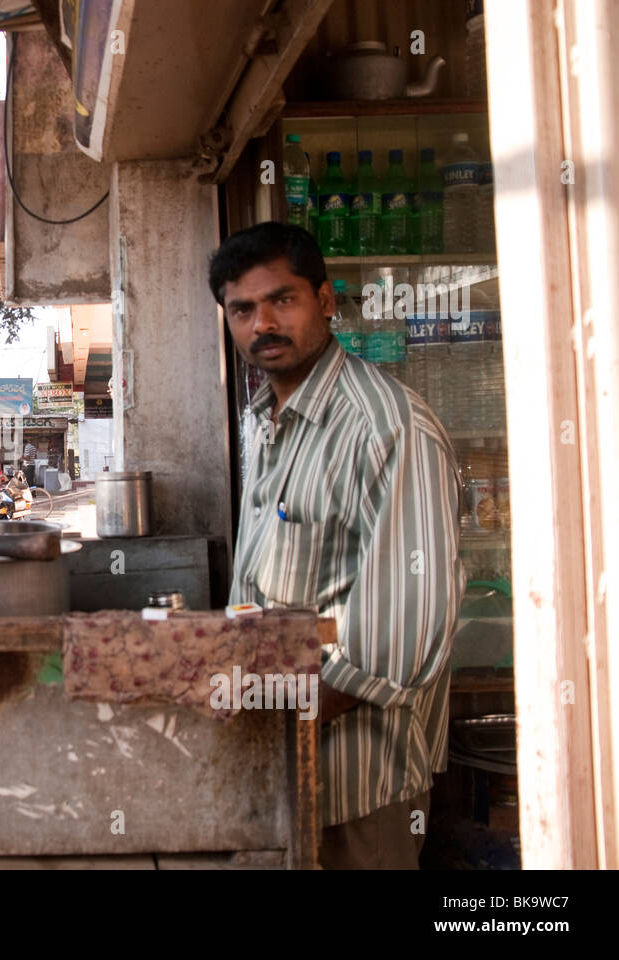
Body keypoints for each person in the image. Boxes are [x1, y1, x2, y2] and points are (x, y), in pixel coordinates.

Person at [210, 222, 461, 869]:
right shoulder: (261, 421)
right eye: (243, 309)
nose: (263, 323)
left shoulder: (386, 426)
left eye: (282, 300)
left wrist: (278, 715)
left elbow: (406, 627)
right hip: (275, 777)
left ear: (325, 300)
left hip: (359, 788)